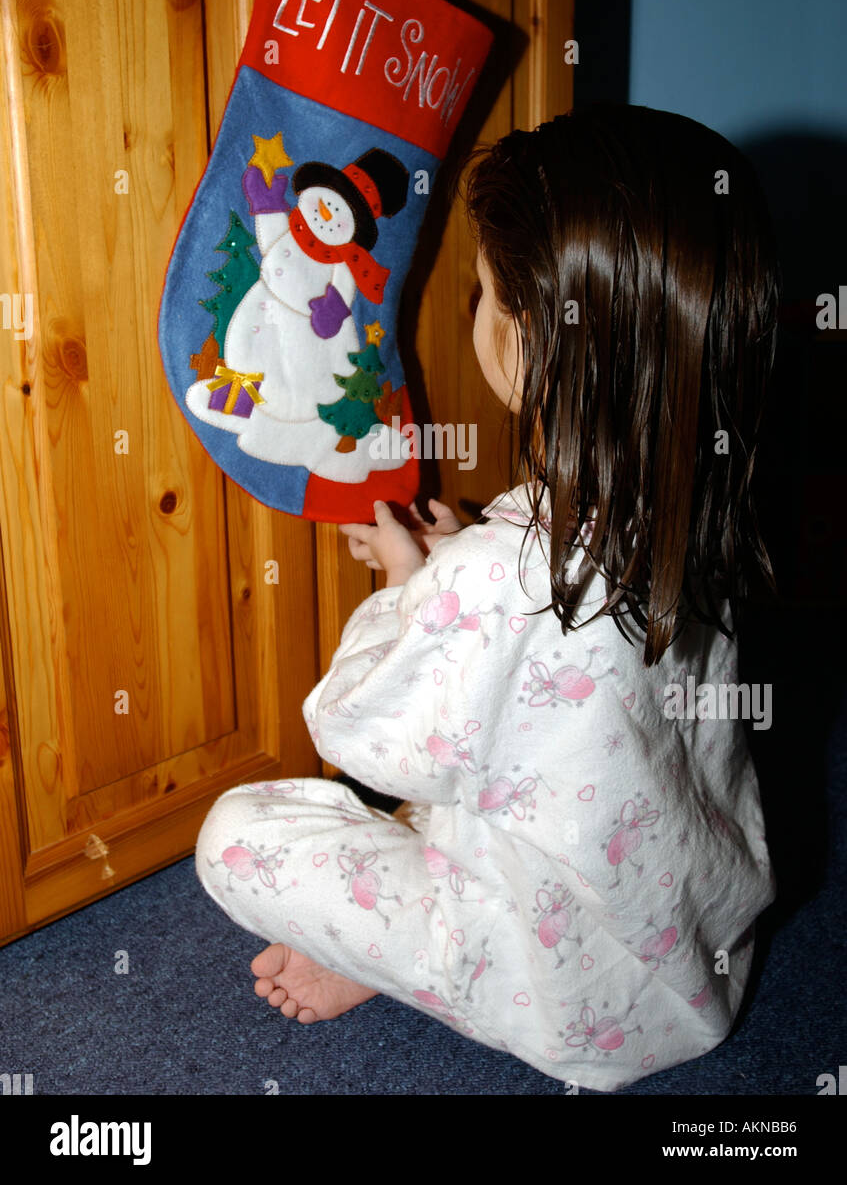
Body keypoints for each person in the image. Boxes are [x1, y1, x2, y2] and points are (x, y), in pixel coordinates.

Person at [194, 104, 780, 1092]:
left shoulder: (498, 579)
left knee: (233, 838)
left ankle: (401, 967)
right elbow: (560, 663)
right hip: (693, 965)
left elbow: (357, 733)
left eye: (481, 292)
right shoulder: (699, 509)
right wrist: (461, 562)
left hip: (560, 994)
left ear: (527, 344)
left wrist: (406, 587)